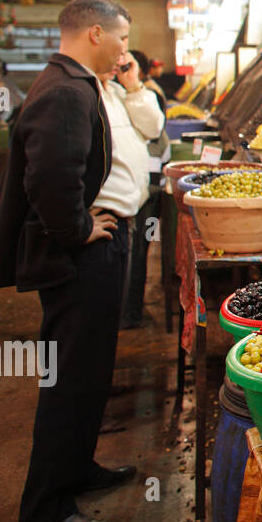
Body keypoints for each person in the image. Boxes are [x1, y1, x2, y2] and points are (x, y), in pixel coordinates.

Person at [0, 0, 136, 522]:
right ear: (94, 33)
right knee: (69, 379)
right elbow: (49, 178)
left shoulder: (70, 82)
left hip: (84, 251)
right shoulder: (66, 91)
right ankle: (45, 511)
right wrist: (78, 229)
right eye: (121, 39)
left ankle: (77, 469)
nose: (123, 51)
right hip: (76, 258)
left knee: (87, 374)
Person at [96, 51, 164, 330]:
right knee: (134, 254)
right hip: (125, 198)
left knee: (140, 251)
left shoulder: (138, 93)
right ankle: (127, 311)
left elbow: (154, 129)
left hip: (145, 189)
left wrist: (134, 85)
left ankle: (131, 310)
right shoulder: (100, 94)